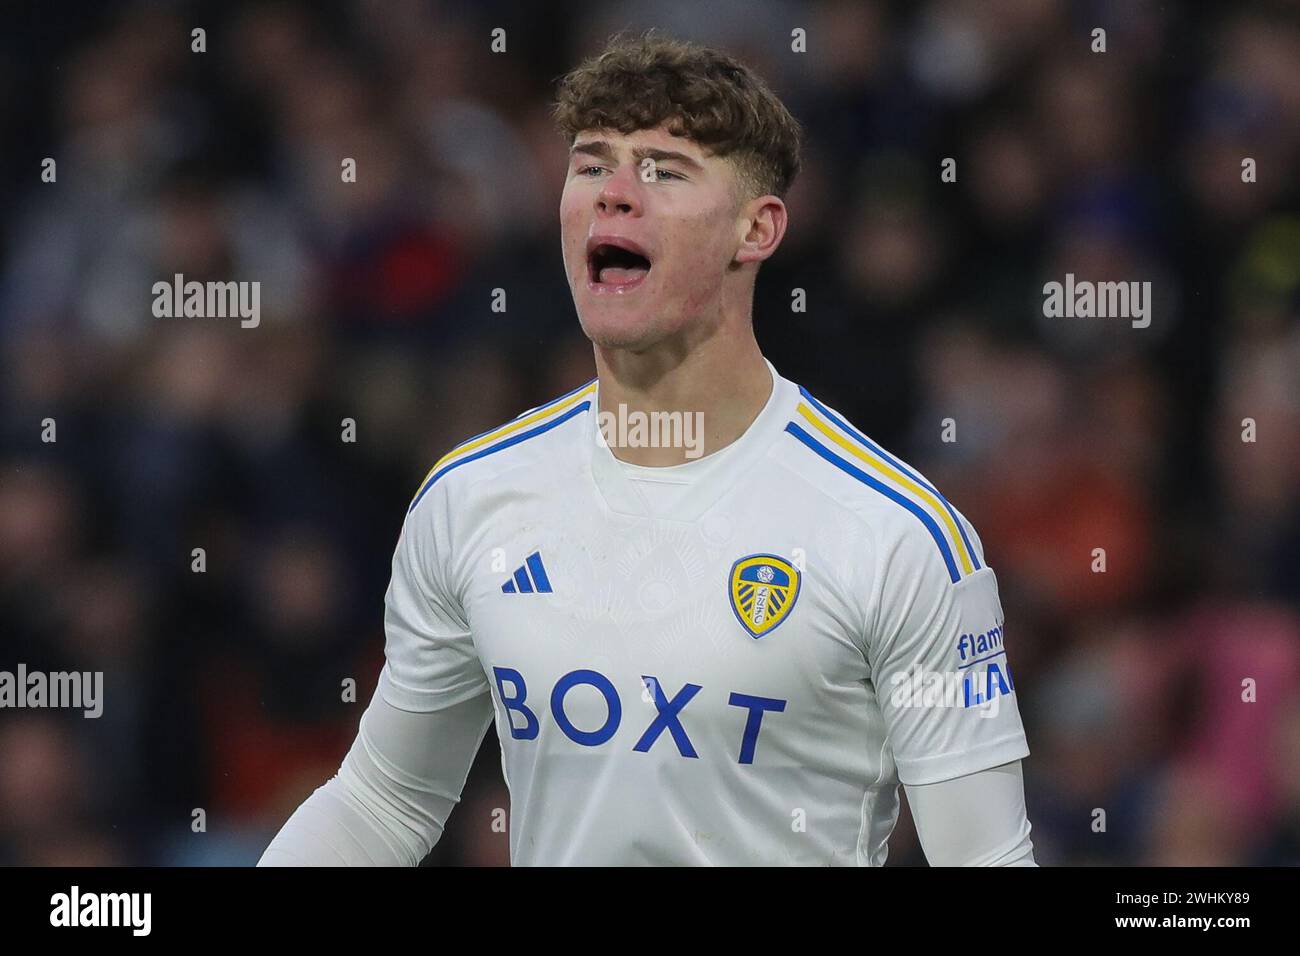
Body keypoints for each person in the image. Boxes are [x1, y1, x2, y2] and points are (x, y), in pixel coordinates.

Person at [260, 30, 1035, 866]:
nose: (614, 195)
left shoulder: (897, 536)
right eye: (592, 165)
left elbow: (985, 860)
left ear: (758, 229)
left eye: (663, 171)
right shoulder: (469, 498)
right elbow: (382, 806)